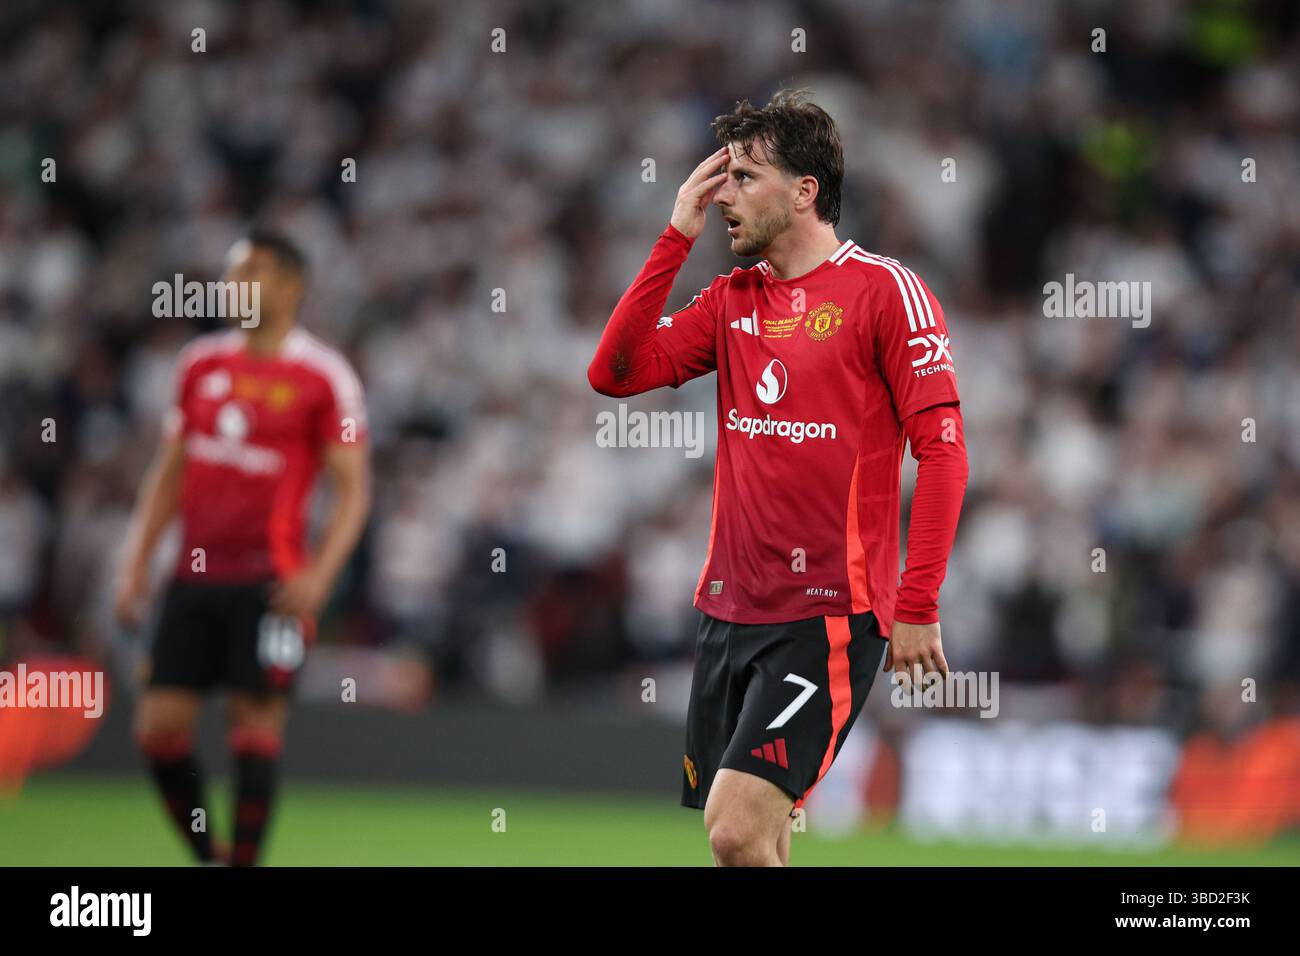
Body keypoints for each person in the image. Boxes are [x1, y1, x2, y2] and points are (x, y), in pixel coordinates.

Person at [588, 91, 969, 866]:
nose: (724, 194)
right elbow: (614, 373)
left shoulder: (885, 292)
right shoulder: (731, 301)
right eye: (722, 177)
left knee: (733, 830)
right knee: (762, 840)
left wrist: (919, 603)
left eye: (746, 177)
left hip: (826, 615)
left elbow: (943, 451)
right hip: (728, 609)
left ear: (805, 191)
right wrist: (673, 235)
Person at [114, 229, 372, 865]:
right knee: (158, 725)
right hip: (194, 578)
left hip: (273, 583)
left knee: (254, 725)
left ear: (291, 286)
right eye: (232, 273)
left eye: (251, 271)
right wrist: (136, 562)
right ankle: (211, 855)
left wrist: (320, 576)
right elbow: (169, 473)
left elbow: (354, 490)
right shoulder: (200, 365)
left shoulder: (323, 377)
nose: (235, 285)